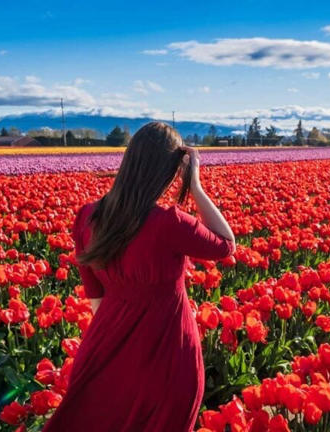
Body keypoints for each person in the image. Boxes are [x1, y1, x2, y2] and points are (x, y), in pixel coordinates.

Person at [43, 121, 236, 431]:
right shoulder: (169, 224)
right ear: (172, 171)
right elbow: (226, 245)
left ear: (129, 160)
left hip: (106, 350)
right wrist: (196, 185)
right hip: (168, 355)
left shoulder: (88, 216)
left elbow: (95, 299)